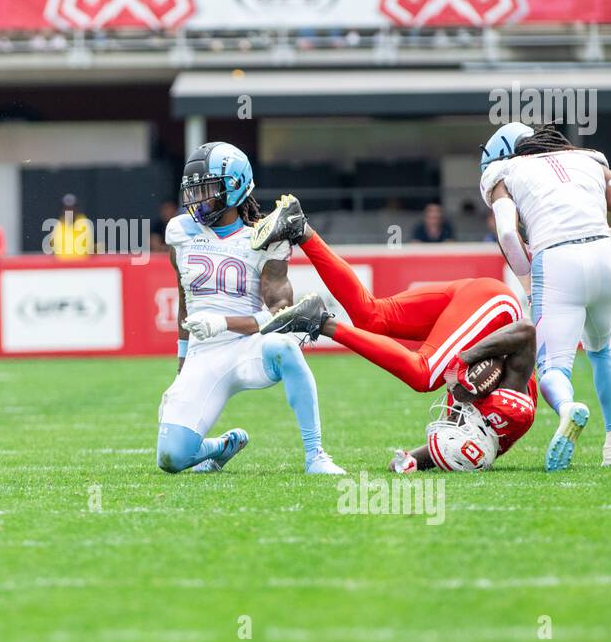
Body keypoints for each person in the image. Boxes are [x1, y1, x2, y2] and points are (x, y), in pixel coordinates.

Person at [251, 193, 538, 470]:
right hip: (498, 309)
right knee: (424, 374)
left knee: (371, 317)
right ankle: (320, 322)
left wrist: (410, 461)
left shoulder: (468, 443)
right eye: (455, 427)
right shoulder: (511, 412)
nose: (450, 420)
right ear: (476, 434)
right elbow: (525, 329)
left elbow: (424, 455)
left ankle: (299, 227)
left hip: (478, 304)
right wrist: (463, 361)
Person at [158, 143, 344, 475]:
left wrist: (222, 323)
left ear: (234, 188)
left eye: (206, 188)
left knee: (286, 346)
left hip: (247, 347)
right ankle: (222, 447)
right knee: (171, 458)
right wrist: (182, 365)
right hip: (203, 356)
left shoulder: (264, 238)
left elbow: (281, 314)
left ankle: (316, 454)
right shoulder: (181, 233)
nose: (197, 198)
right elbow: (184, 303)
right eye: (194, 189)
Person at [479, 123, 611, 470]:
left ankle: (569, 408)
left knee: (553, 367)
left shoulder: (505, 171)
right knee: (602, 350)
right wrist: (610, 246)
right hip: (603, 254)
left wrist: (527, 275)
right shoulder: (586, 158)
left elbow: (508, 233)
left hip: (555, 260)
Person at [51, 194, 93, 259]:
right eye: (66, 208)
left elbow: (90, 250)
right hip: (62, 266)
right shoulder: (58, 226)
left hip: (81, 266)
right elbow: (54, 251)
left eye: (71, 208)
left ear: (76, 209)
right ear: (62, 210)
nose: (69, 211)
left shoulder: (85, 224)